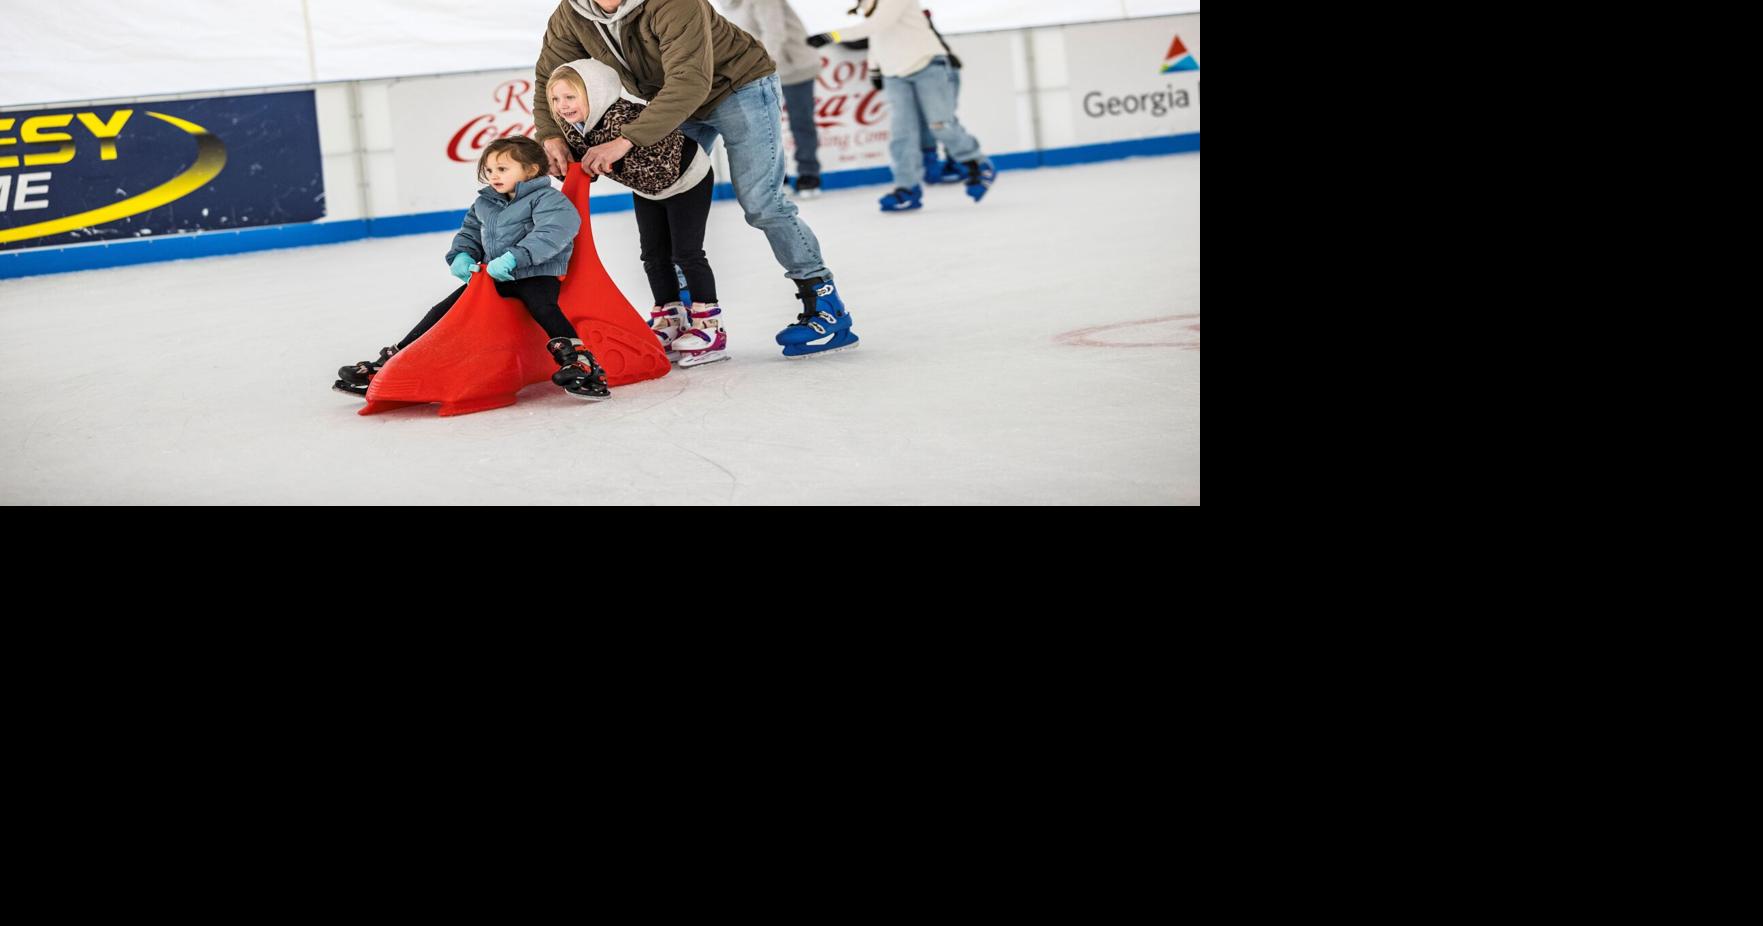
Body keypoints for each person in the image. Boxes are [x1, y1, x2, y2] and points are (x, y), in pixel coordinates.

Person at [533, 0, 858, 357]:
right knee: (662, 187)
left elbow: (690, 81)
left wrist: (626, 140)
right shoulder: (571, 14)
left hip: (736, 86)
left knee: (762, 202)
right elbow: (551, 75)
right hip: (667, 99)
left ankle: (825, 304)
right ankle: (683, 314)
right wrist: (551, 136)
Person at [332, 136, 610, 401]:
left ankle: (581, 362)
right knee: (444, 309)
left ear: (531, 169)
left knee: (543, 306)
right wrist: (462, 256)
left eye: (502, 168)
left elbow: (554, 231)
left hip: (537, 272)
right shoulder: (485, 203)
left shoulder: (547, 199)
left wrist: (517, 257)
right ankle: (393, 360)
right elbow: (469, 234)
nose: (494, 175)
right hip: (494, 275)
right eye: (489, 169)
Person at [550, 57, 728, 366]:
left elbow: (653, 158)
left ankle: (710, 326)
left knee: (686, 253)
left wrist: (609, 161)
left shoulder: (625, 117)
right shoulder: (574, 126)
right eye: (555, 98)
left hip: (687, 177)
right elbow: (587, 161)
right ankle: (669, 319)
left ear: (594, 92)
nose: (562, 105)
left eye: (570, 96)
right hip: (648, 189)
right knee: (653, 255)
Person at [809, 0, 995, 212]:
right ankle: (907, 188)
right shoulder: (868, 3)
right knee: (901, 135)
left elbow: (878, 24)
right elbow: (878, 36)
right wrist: (875, 69)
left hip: (927, 65)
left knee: (940, 124)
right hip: (894, 74)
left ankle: (976, 162)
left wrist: (831, 36)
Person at [721, 0, 825, 199]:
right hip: (760, 71)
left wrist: (762, 68)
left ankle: (809, 174)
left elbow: (774, 33)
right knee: (763, 127)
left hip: (794, 66)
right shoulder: (724, 5)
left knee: (801, 122)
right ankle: (777, 178)